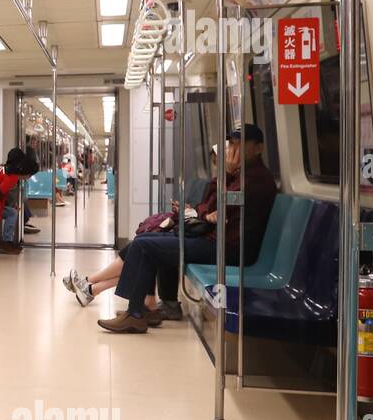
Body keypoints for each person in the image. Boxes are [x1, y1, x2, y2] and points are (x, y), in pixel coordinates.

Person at [98, 125, 277, 333]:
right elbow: (207, 207)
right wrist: (214, 196)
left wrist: (224, 175)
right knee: (147, 240)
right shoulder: (240, 176)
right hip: (217, 239)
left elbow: (218, 208)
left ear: (258, 148)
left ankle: (135, 314)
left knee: (144, 245)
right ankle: (141, 309)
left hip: (228, 248)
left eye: (241, 144)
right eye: (232, 144)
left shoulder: (255, 180)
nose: (234, 150)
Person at [64, 148, 219, 307]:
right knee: (140, 244)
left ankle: (90, 285)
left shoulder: (226, 186)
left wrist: (197, 212)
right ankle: (91, 288)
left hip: (206, 240)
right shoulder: (216, 183)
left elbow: (210, 216)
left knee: (143, 248)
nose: (216, 166)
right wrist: (192, 210)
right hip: (199, 234)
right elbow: (204, 211)